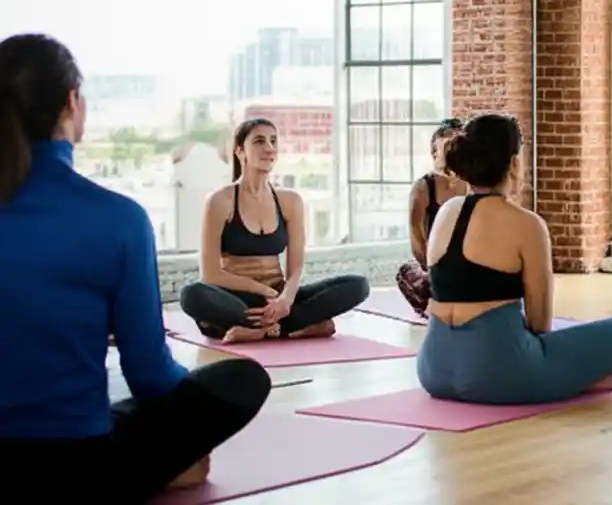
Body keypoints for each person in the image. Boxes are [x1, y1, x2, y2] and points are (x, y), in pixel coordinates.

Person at [0, 34, 270, 501]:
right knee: (243, 378)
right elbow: (149, 375)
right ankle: (158, 471)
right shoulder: (117, 219)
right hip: (78, 466)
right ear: (72, 103)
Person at [416, 113, 612, 404]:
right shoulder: (527, 225)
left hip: (432, 371)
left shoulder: (446, 212)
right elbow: (540, 324)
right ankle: (576, 381)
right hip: (497, 375)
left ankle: (567, 378)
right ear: (515, 163)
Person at [179, 118, 370, 342]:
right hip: (238, 299)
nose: (269, 148)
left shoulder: (290, 201)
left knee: (358, 285)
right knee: (192, 295)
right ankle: (293, 327)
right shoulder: (220, 201)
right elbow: (211, 274)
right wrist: (266, 293)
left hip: (280, 300)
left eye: (273, 141)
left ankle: (259, 329)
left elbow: (296, 267)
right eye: (259, 141)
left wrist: (286, 300)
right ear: (241, 151)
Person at [396, 117, 467, 315]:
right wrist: (437, 271)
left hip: (467, 263)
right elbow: (417, 241)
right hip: (436, 266)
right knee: (407, 274)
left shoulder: (471, 184)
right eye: (448, 146)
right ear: (435, 152)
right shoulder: (423, 188)